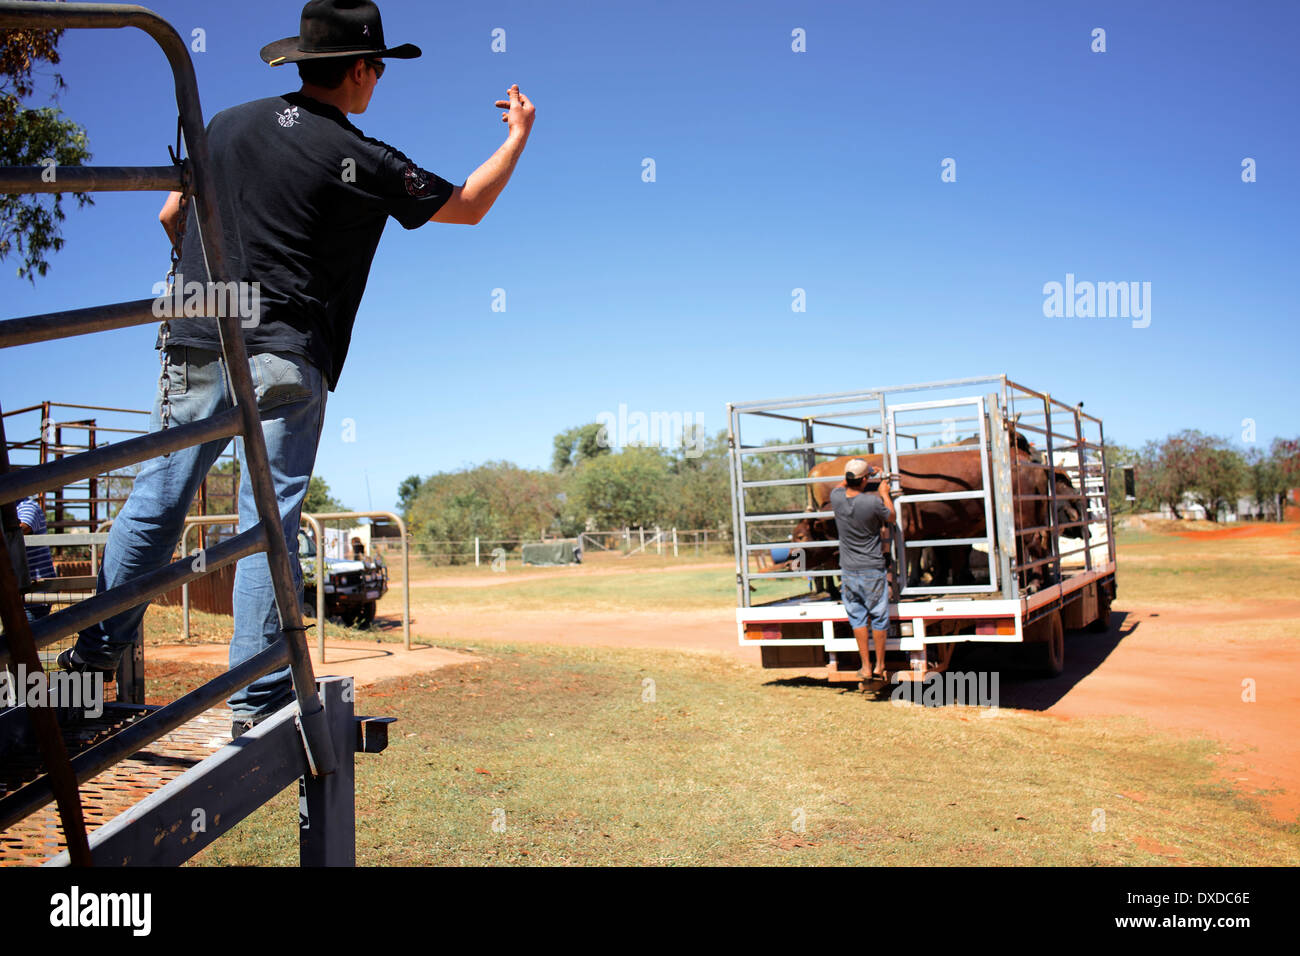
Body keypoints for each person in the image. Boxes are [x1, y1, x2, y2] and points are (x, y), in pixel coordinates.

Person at [59, 0, 535, 738]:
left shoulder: (226, 124)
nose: (378, 78)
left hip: (196, 332)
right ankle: (255, 697)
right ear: (355, 70)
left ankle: (88, 674)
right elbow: (468, 205)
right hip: (283, 351)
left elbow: (169, 215)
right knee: (267, 523)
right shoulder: (364, 158)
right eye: (377, 65)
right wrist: (518, 137)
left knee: (158, 496)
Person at [829, 459, 896, 684]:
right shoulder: (872, 502)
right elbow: (892, 516)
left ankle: (865, 667)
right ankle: (880, 665)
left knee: (857, 617)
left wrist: (864, 475)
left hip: (848, 570)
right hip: (872, 568)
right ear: (865, 480)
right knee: (878, 616)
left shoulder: (836, 499)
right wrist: (883, 490)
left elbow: (841, 486)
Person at [16, 495, 55, 622]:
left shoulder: (27, 506)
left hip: (34, 596)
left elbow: (23, 528)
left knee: (25, 638)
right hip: (20, 594)